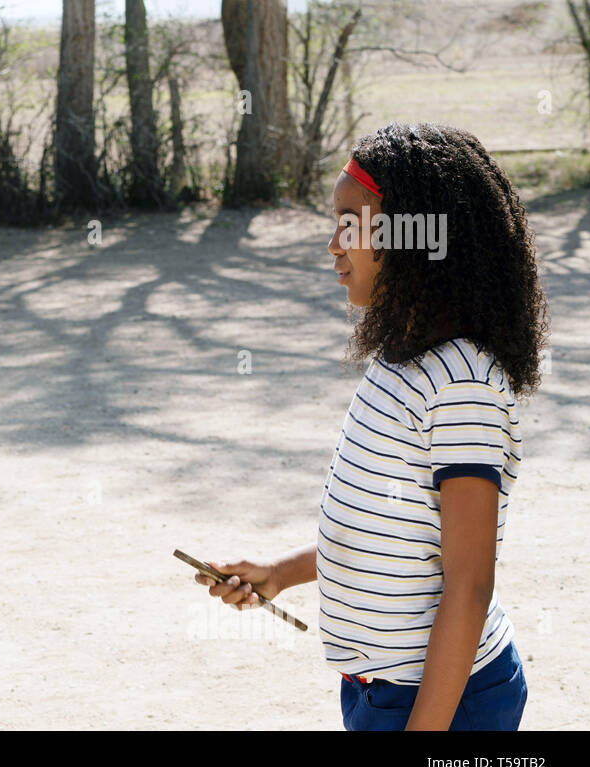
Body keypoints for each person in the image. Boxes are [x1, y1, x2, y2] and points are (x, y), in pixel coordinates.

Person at [194, 123, 549, 731]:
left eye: (349, 224)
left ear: (416, 237)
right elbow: (387, 532)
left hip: (446, 705)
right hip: (379, 693)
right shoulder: (398, 359)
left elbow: (467, 587)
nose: (333, 245)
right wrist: (280, 573)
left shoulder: (462, 385)